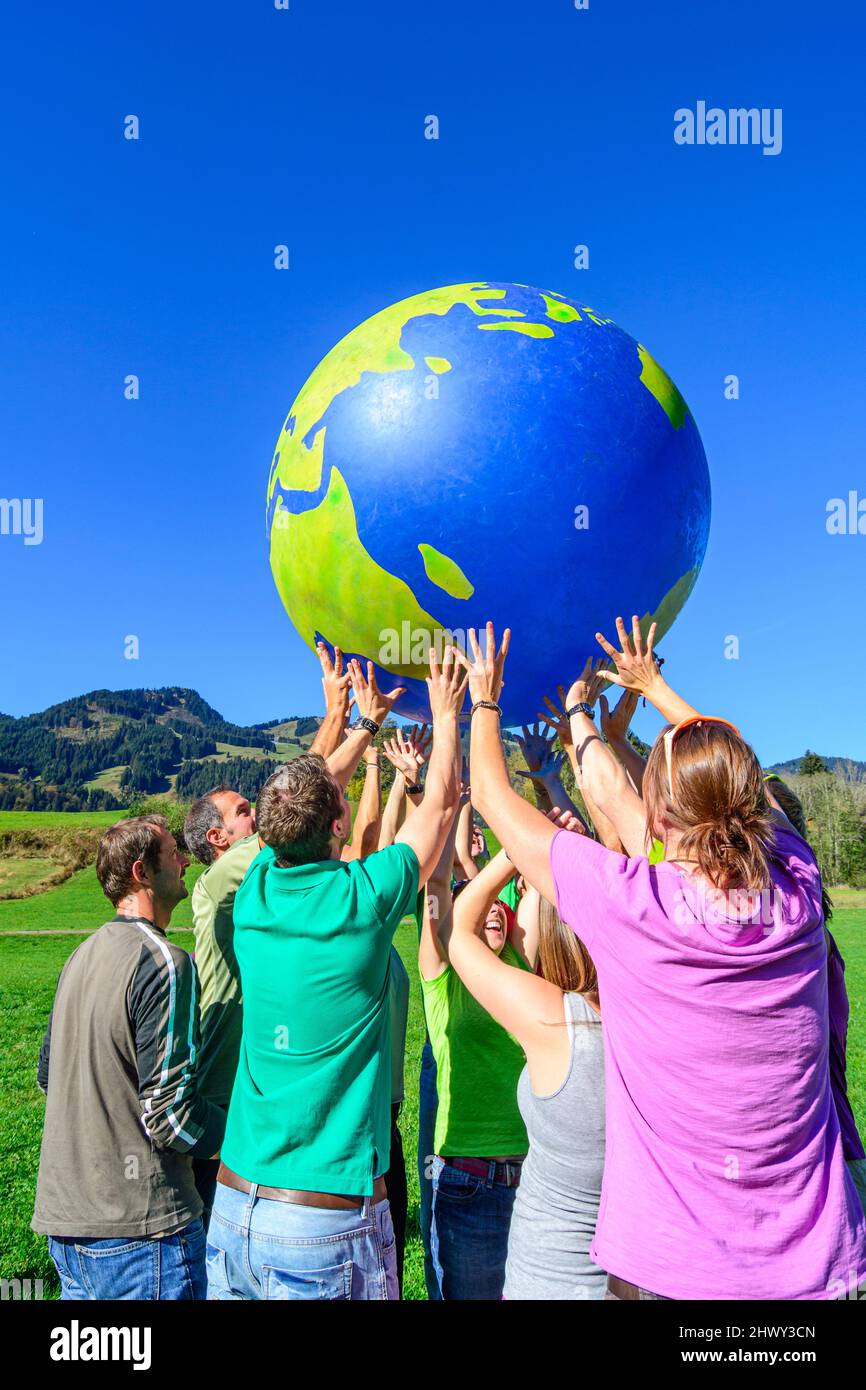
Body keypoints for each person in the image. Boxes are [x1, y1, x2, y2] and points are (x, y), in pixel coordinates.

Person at [456, 618, 866, 1300]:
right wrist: (655, 690)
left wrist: (484, 699)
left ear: (657, 811)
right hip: (819, 1269)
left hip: (686, 1281)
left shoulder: (633, 906)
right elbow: (743, 773)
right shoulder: (796, 883)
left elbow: (495, 802)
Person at [205, 650, 465, 1300]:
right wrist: (446, 709)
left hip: (235, 1208)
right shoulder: (364, 896)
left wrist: (346, 718)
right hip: (323, 1221)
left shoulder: (256, 889)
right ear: (340, 826)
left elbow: (296, 797)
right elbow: (439, 804)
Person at [183, 642, 358, 1220]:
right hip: (218, 1102)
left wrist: (363, 727)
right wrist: (338, 716)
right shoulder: (218, 887)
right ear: (217, 840)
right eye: (241, 812)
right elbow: (296, 806)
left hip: (255, 1105)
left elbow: (307, 813)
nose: (254, 816)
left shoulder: (261, 881)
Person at [32, 816, 225, 1300]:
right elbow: (171, 1117)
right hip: (144, 1231)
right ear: (142, 872)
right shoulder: (164, 961)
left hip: (69, 1227)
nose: (184, 859)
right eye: (172, 852)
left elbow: (47, 1076)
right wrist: (239, 1134)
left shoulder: (79, 957)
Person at [448, 818, 607, 1300]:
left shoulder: (557, 1020)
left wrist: (514, 848)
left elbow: (461, 934)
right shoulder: (659, 1020)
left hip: (551, 1276)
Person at [420, 790, 533, 1301]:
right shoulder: (444, 975)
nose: (490, 912)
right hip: (469, 1184)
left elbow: (537, 889)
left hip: (537, 1179)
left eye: (496, 908)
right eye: (477, 906)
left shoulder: (526, 966)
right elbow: (438, 885)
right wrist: (447, 806)